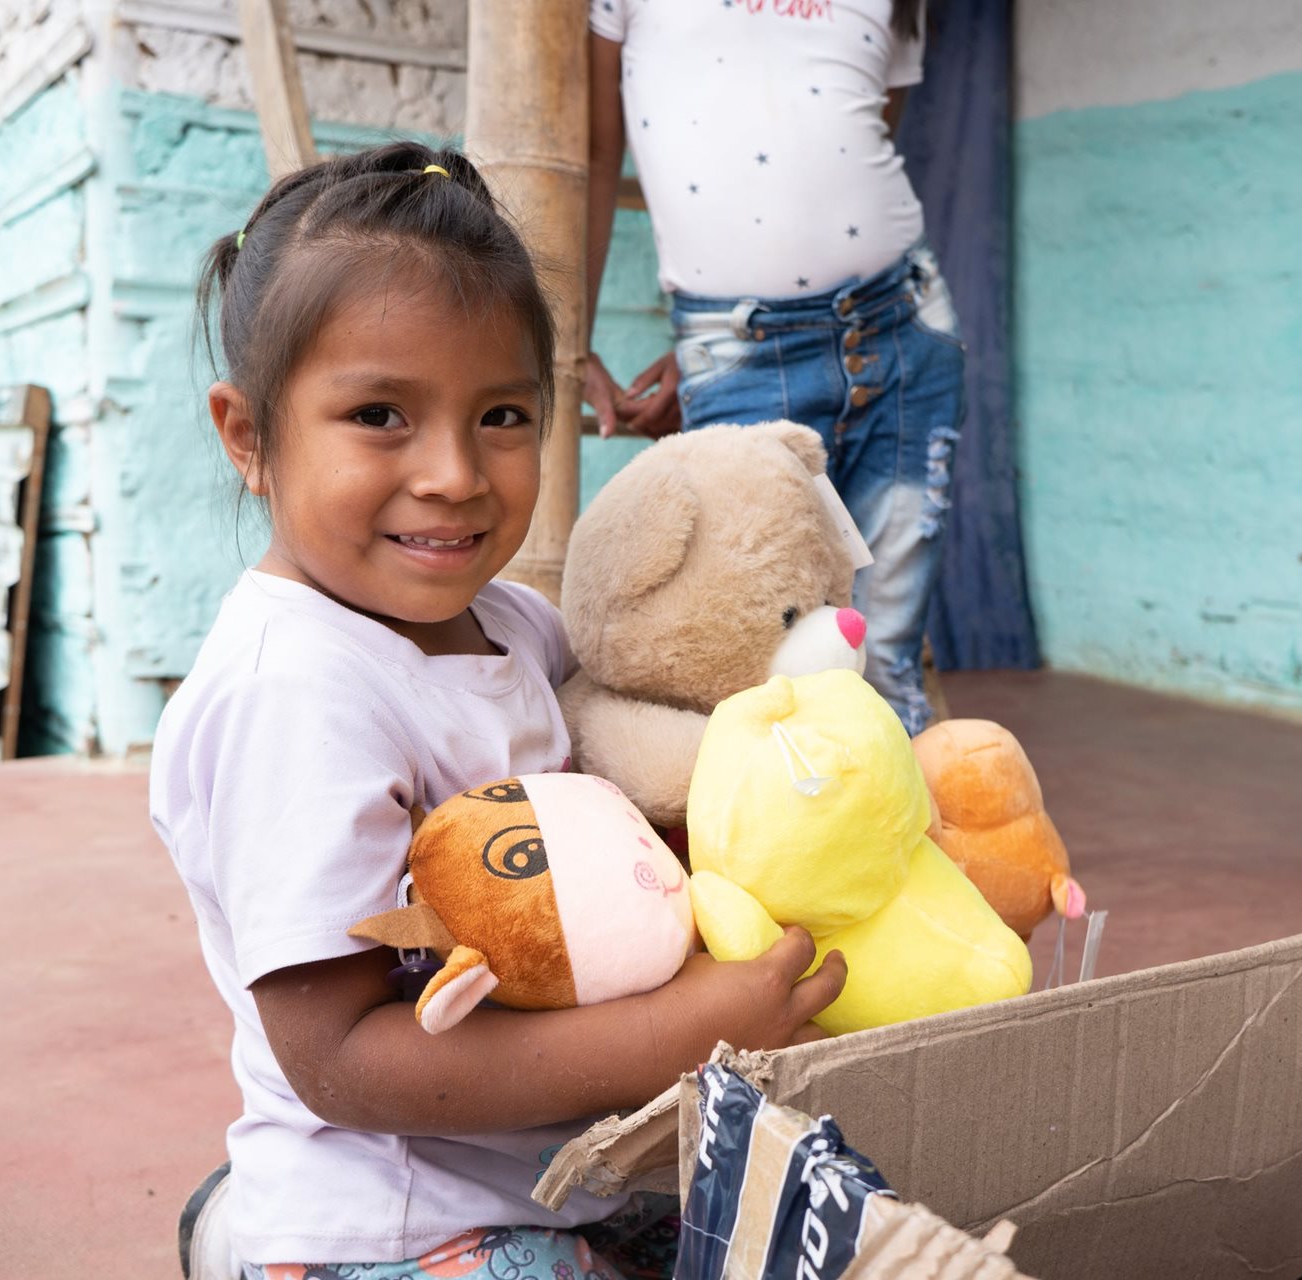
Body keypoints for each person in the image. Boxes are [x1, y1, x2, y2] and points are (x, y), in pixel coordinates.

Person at [154, 142, 846, 1280]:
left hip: (570, 1165)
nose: (455, 473)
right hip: (393, 1213)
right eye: (380, 413)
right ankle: (248, 1240)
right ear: (249, 436)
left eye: (503, 415)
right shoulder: (296, 691)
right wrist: (678, 1036)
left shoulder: (519, 625)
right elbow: (341, 1058)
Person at [584, 0, 962, 736]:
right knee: (756, 668)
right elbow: (596, 158)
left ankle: (904, 846)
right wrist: (571, 342)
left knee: (882, 662)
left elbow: (849, 142)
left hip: (906, 325)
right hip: (739, 351)